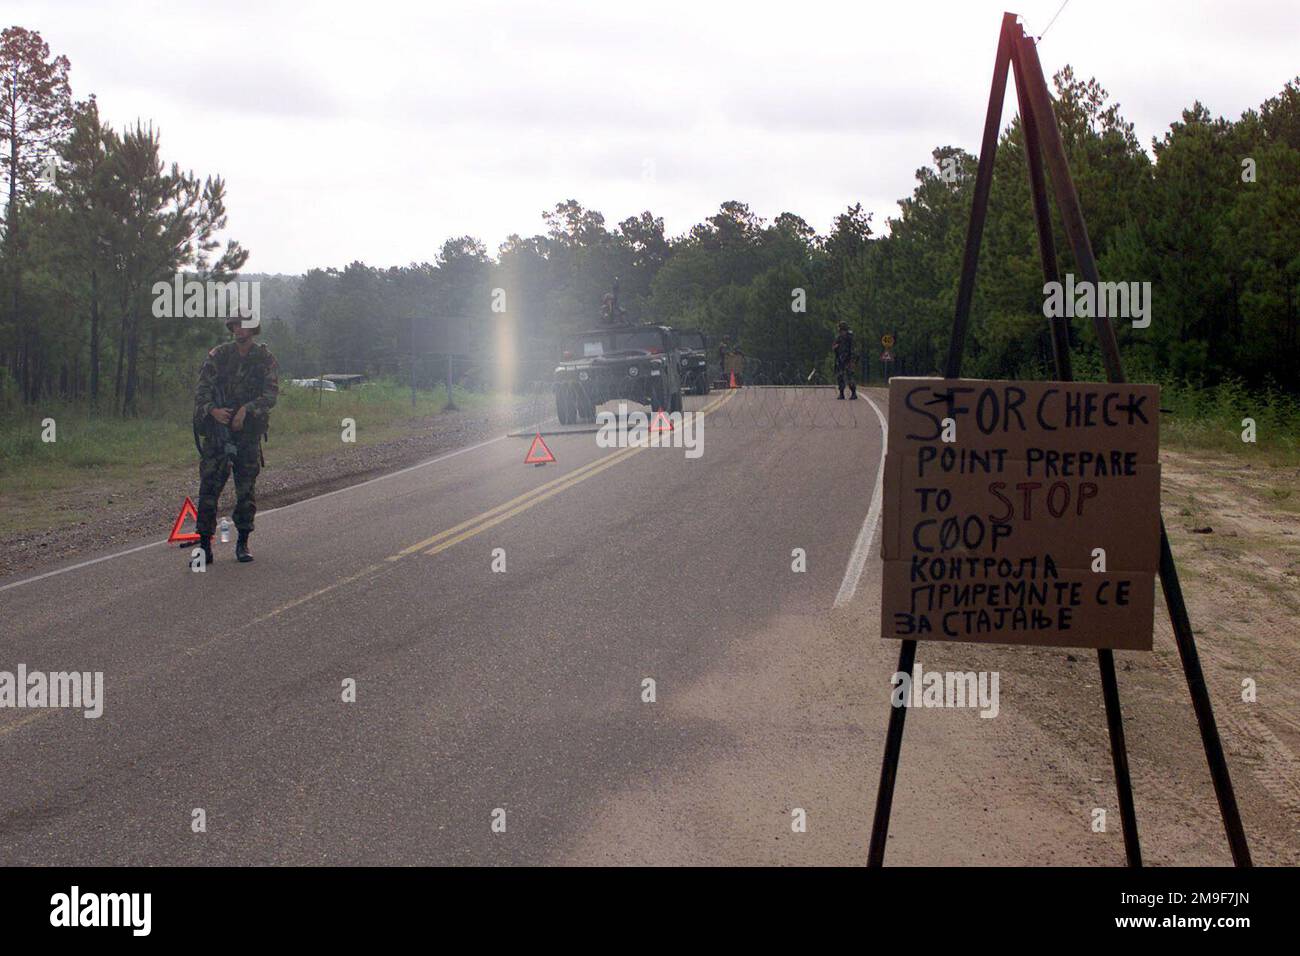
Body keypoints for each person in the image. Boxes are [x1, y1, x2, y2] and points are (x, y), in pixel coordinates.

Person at [192, 312, 279, 563]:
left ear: (253, 330)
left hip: (247, 435)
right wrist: (213, 411)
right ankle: (204, 546)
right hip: (218, 435)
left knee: (245, 491)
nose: (239, 330)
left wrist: (247, 410)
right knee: (208, 490)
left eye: (244, 326)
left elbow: (270, 394)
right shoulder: (218, 356)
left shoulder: (264, 359)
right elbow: (201, 392)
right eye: (235, 326)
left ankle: (242, 543)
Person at [832, 321, 857, 400]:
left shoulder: (850, 338)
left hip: (849, 360)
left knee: (850, 377)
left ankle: (853, 393)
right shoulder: (839, 338)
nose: (840, 332)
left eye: (841, 330)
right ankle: (841, 393)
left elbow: (853, 350)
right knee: (840, 376)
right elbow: (834, 347)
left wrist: (852, 361)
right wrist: (835, 347)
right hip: (840, 360)